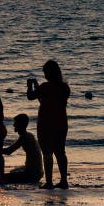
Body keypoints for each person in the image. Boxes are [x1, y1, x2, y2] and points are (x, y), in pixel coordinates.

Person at [27, 59, 70, 189]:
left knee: (47, 153)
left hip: (46, 123)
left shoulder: (45, 87)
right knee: (60, 152)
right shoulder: (64, 87)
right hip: (61, 123)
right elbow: (45, 99)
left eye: (45, 72)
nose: (44, 75)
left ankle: (49, 182)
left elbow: (31, 97)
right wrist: (38, 87)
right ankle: (63, 181)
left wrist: (30, 86)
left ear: (49, 73)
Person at [1, 113, 43, 184]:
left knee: (2, 177)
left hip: (33, 174)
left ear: (21, 124)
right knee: (13, 171)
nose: (14, 125)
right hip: (39, 172)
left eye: (15, 123)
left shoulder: (24, 137)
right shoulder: (29, 135)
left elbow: (8, 151)